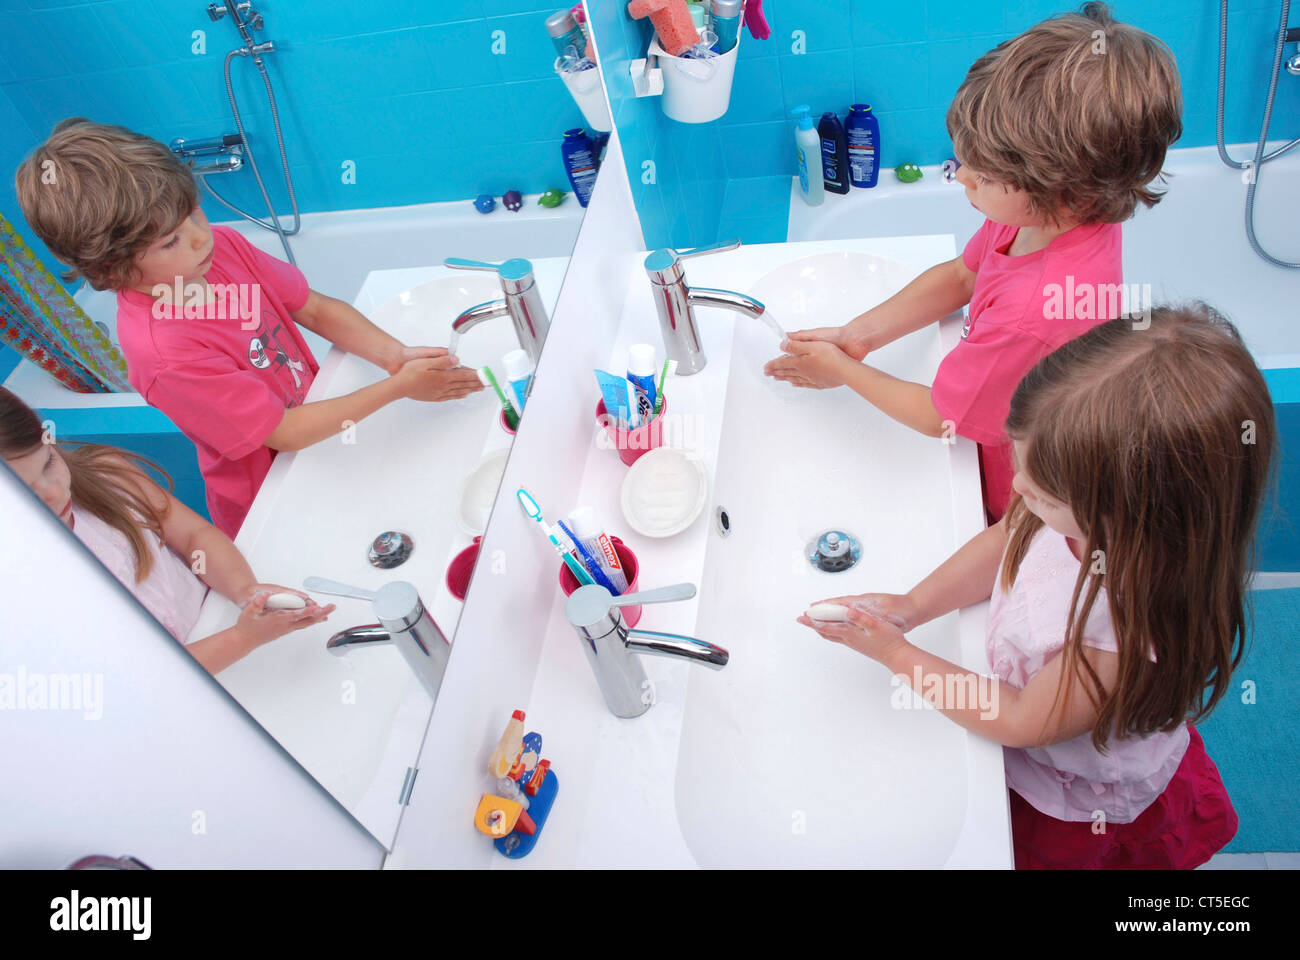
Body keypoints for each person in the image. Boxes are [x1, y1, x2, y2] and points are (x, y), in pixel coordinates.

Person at [799, 305, 1275, 868]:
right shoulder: (1071, 504)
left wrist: (898, 655)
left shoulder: (1118, 635)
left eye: (1045, 492)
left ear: (1134, 514)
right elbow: (1009, 539)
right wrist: (910, 607)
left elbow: (1022, 720)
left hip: (1074, 797)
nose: (1019, 485)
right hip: (1040, 719)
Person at [766, 3, 1183, 523]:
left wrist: (844, 371)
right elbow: (965, 275)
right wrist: (860, 335)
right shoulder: (1053, 213)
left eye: (982, 176)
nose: (960, 178)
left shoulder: (1033, 314)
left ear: (1064, 191)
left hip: (1020, 494)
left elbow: (940, 416)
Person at [15, 118, 483, 537]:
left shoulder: (221, 250)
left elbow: (314, 308)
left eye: (193, 212)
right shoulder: (165, 354)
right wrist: (399, 388)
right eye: (171, 240)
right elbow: (283, 433)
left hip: (320, 432)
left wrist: (392, 356)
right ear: (114, 270)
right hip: (274, 495)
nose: (201, 236)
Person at [1, 386, 335, 674]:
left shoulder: (109, 477)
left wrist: (245, 590)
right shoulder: (20, 597)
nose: (55, 491)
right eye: (26, 493)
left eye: (48, 463)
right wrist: (242, 638)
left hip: (226, 633)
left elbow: (194, 537)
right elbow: (140, 680)